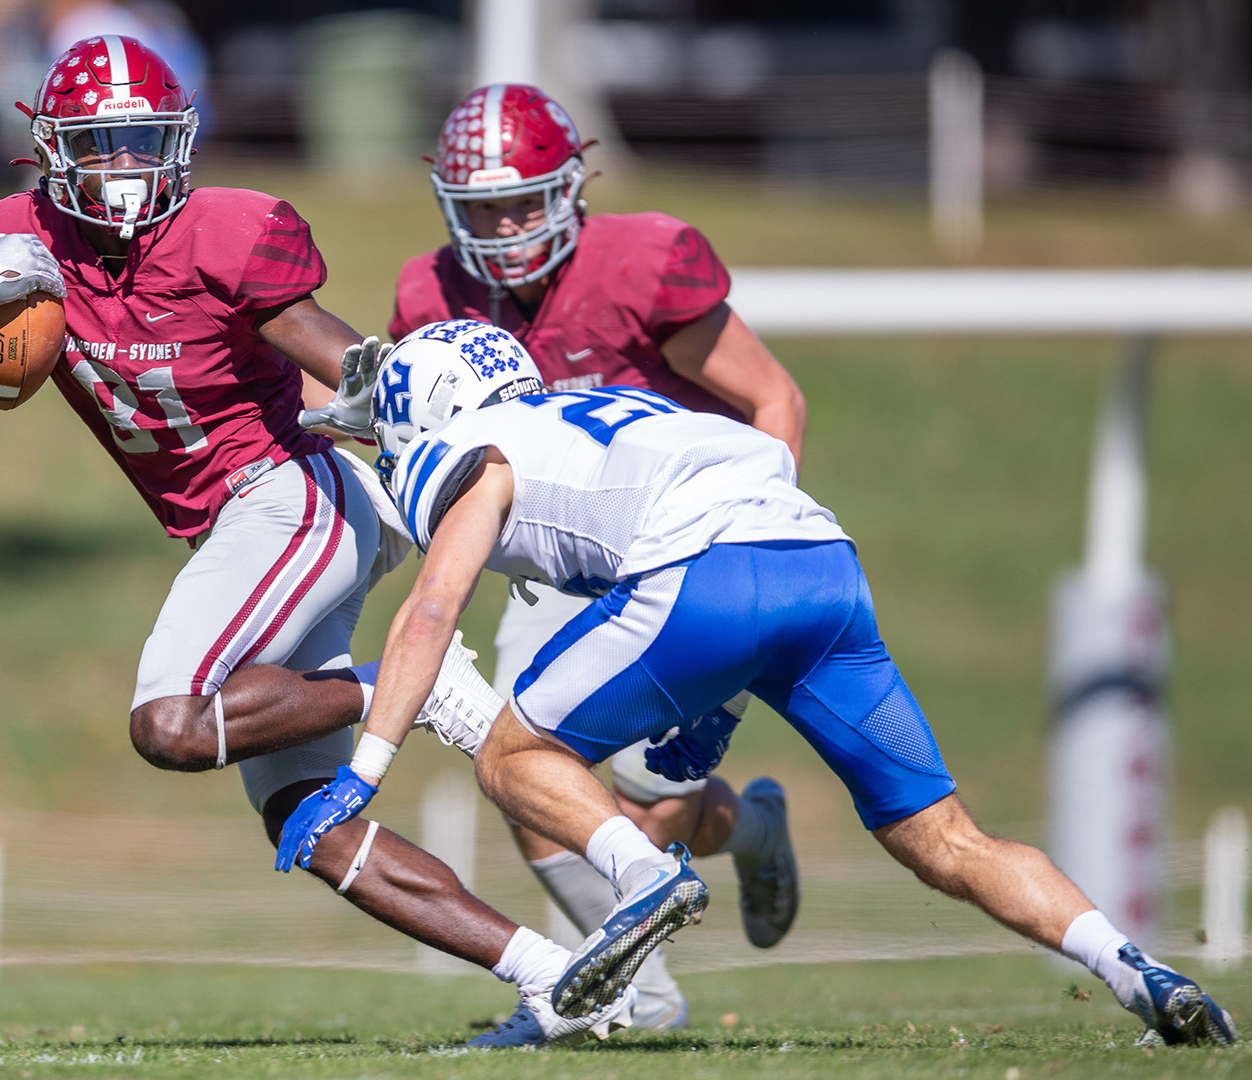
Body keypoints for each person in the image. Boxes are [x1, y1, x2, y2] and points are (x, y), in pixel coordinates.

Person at [0, 36, 617, 1043]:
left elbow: (352, 369)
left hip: (292, 497)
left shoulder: (228, 234)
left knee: (169, 722)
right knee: (311, 823)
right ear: (53, 150)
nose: (123, 168)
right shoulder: (12, 243)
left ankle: (411, 686)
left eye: (141, 142)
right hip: (237, 532)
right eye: (99, 144)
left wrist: (429, 411)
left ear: (179, 143)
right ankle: (560, 976)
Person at [275, 320, 1238, 1047]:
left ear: (432, 407)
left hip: (708, 569)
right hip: (821, 563)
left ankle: (645, 879)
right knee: (946, 838)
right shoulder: (626, 412)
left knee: (514, 753)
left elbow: (431, 615)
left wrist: (362, 776)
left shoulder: (469, 449)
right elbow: (750, 508)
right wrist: (718, 707)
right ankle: (1134, 970)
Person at [387, 82, 807, 1032]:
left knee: (653, 807)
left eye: (520, 199)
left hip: (680, 545)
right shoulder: (431, 291)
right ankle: (641, 998)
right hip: (547, 552)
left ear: (572, 186)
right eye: (481, 205)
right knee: (530, 776)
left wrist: (758, 535)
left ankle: (747, 828)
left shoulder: (644, 261)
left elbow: (775, 399)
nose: (501, 227)